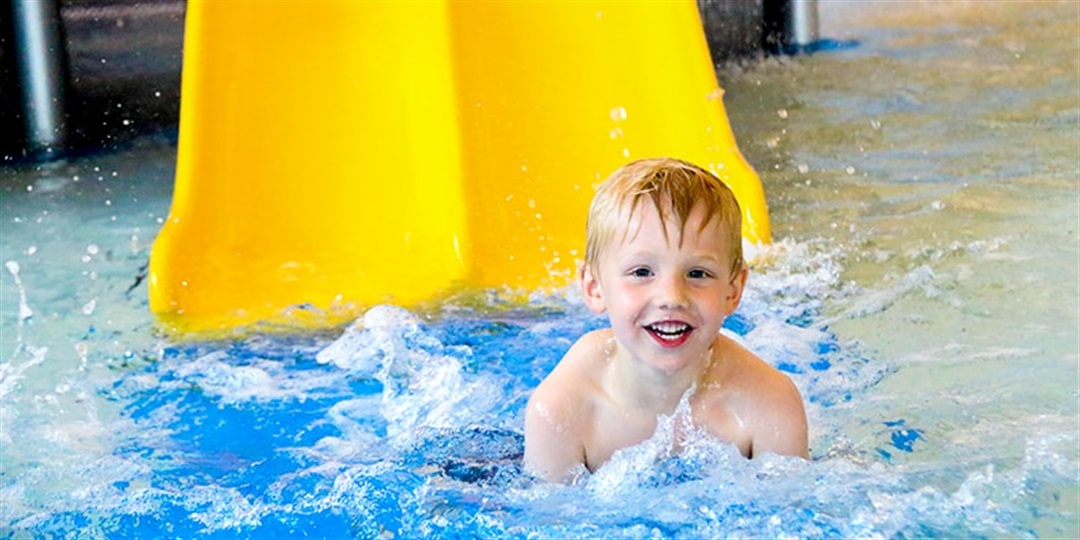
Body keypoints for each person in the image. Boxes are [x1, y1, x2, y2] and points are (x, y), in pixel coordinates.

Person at [524, 157, 808, 483]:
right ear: (594, 287)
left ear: (733, 289)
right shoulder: (562, 413)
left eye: (697, 273)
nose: (672, 296)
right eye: (642, 272)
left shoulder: (770, 407)